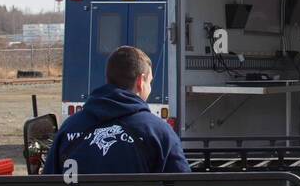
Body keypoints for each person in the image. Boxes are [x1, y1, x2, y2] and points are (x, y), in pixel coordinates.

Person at [43, 46, 190, 175]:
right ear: (140, 81)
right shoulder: (159, 132)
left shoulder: (68, 128)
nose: (150, 88)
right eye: (149, 82)